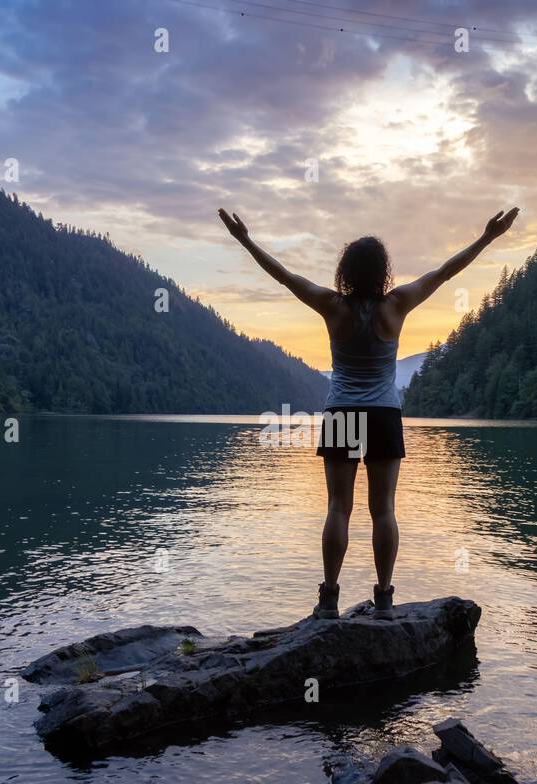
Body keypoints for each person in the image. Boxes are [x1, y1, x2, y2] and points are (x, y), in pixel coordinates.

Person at [219, 206, 519, 620]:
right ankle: (383, 597)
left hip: (342, 412)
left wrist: (245, 240)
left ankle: (329, 599)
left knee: (338, 508)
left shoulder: (332, 306)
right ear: (383, 271)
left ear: (345, 271)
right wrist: (488, 237)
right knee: (384, 510)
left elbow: (285, 277)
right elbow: (446, 271)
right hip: (382, 414)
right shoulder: (396, 305)